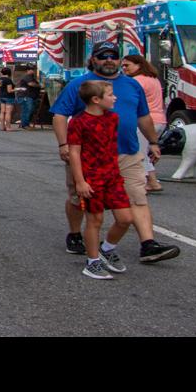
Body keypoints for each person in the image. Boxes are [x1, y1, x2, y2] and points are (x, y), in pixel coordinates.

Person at [51, 43, 181, 264]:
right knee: (78, 198)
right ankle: (75, 234)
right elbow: (60, 115)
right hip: (89, 158)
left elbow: (143, 117)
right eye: (103, 57)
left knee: (137, 198)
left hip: (128, 153)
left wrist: (154, 142)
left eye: (113, 56)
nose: (109, 60)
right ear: (93, 59)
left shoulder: (132, 85)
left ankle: (148, 245)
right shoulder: (79, 84)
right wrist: (64, 145)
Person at [66, 81, 136, 280]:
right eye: (111, 95)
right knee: (95, 220)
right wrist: (80, 181)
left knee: (125, 218)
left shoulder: (113, 118)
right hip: (92, 176)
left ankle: (107, 248)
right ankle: (92, 261)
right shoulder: (78, 122)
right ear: (96, 100)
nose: (115, 98)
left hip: (112, 175)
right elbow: (74, 152)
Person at [124, 55, 166, 192]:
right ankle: (152, 181)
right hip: (160, 120)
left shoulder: (136, 81)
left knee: (139, 153)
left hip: (145, 121)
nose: (124, 69)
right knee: (145, 153)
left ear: (139, 65)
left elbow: (129, 102)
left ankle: (145, 183)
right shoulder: (154, 79)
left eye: (127, 65)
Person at [0, 68, 17, 132]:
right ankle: (8, 127)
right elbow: (9, 90)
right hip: (9, 97)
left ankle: (2, 127)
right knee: (8, 112)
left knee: (2, 112)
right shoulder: (8, 80)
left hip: (1, 96)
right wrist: (18, 89)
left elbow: (0, 89)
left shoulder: (0, 79)